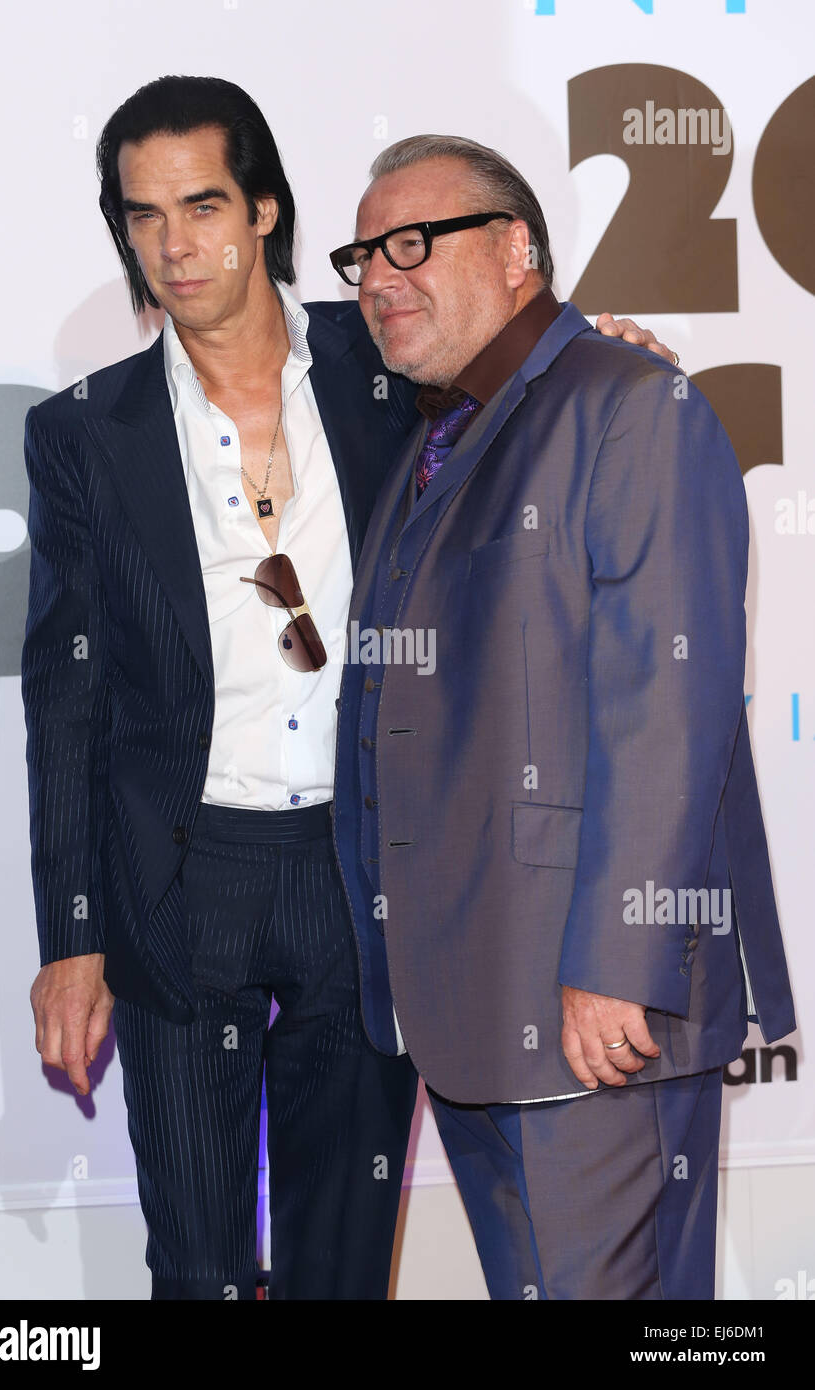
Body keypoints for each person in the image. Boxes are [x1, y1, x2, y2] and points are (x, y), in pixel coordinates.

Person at [22, 74, 669, 1301]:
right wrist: (73, 934)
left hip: (366, 871)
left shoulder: (386, 365)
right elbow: (68, 699)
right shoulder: (82, 434)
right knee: (202, 1267)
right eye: (143, 215)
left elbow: (535, 388)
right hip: (179, 880)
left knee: (340, 1262)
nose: (175, 243)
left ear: (264, 207)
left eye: (203, 204)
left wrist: (613, 360)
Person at [329, 134, 796, 1300]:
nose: (379, 276)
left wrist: (615, 967)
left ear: (518, 250)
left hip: (587, 1016)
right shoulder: (431, 438)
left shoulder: (630, 404)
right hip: (472, 1009)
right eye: (361, 256)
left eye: (411, 243)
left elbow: (666, 712)